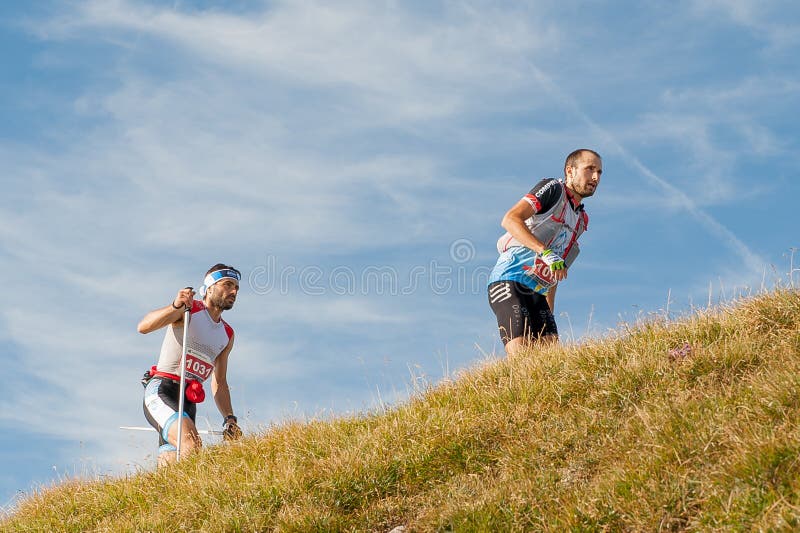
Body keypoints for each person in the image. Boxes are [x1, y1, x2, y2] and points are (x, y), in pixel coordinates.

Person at [487, 149, 602, 355]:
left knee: (549, 360)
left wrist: (549, 309)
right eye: (590, 169)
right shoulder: (553, 188)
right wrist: (544, 251)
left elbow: (556, 267)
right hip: (510, 279)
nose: (595, 177)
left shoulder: (581, 220)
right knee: (521, 357)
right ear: (570, 171)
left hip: (538, 292)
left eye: (599, 172)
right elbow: (510, 219)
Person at [138, 263, 243, 465]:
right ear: (209, 288)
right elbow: (143, 326)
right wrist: (175, 306)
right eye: (228, 285)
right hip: (163, 390)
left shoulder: (227, 334)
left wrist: (229, 418)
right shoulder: (189, 309)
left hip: (188, 400)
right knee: (192, 444)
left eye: (236, 287)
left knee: (171, 466)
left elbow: (220, 382)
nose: (234, 291)